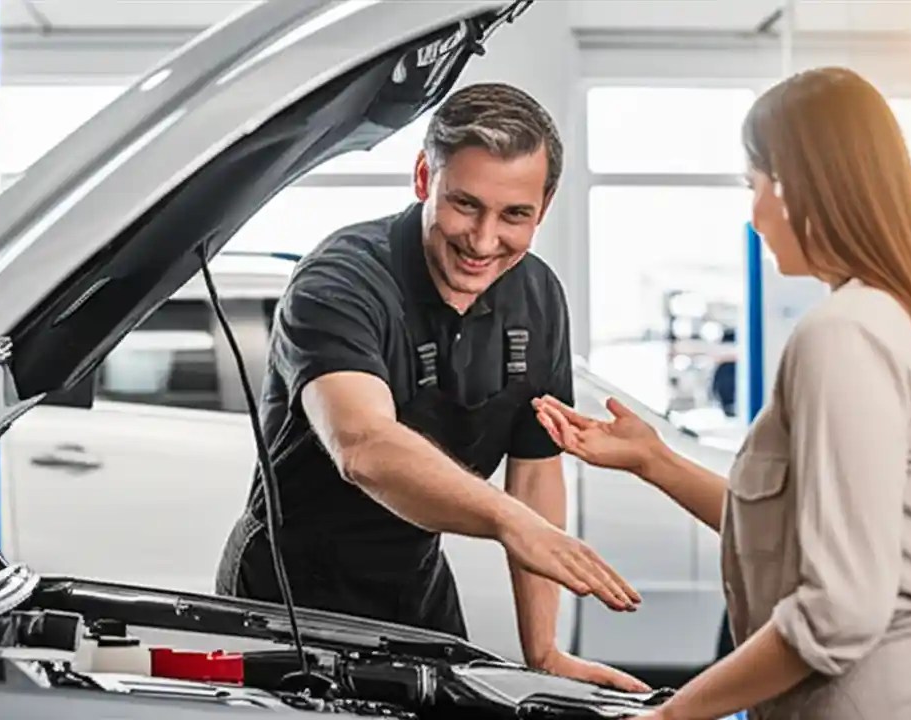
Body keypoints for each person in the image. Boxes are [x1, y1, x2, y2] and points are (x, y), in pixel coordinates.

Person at [533, 67, 911, 719]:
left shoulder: (844, 334)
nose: (752, 215)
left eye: (754, 186)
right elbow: (794, 535)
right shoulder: (894, 320)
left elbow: (838, 611)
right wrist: (654, 460)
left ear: (800, 185)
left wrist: (670, 715)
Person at [215, 82, 648, 692]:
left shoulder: (539, 296)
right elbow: (362, 446)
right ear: (424, 177)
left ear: (543, 207)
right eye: (465, 204)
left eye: (514, 215)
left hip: (417, 585)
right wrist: (505, 519)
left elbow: (534, 469)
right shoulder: (340, 281)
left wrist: (544, 653)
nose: (483, 239)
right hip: (289, 591)